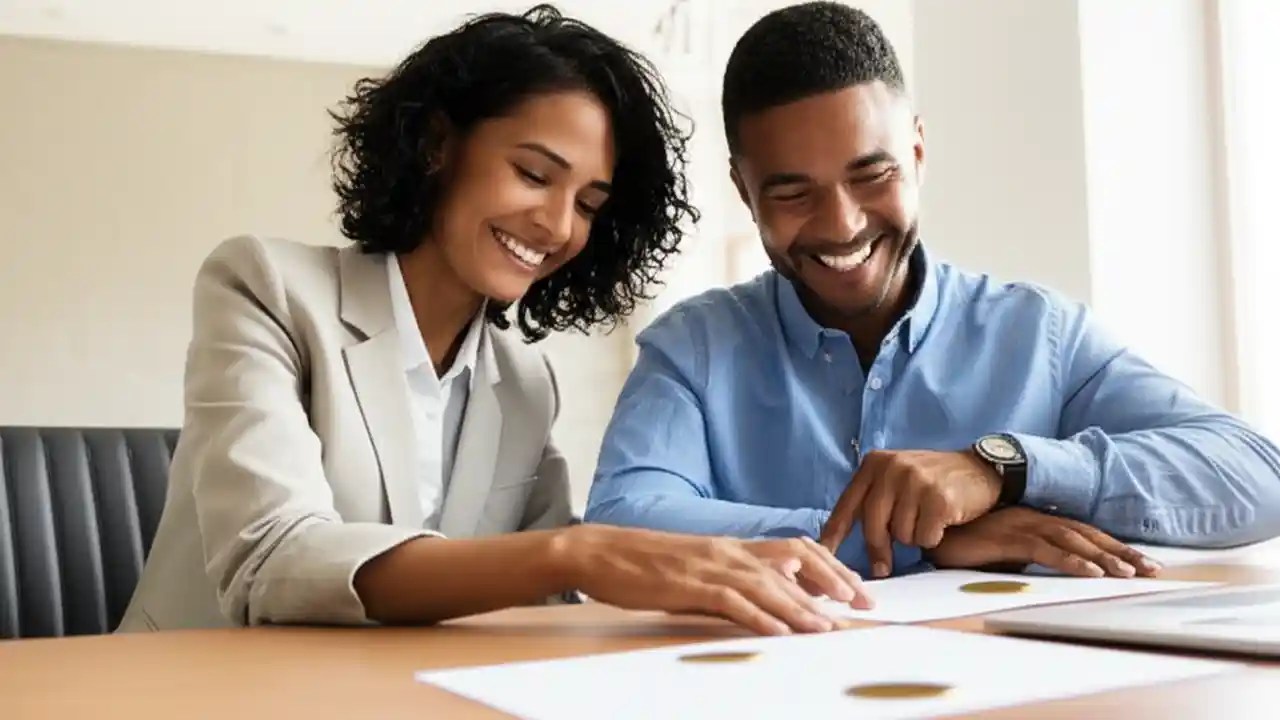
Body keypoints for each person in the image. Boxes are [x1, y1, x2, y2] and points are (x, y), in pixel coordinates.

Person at [118, 5, 870, 638]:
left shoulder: (522, 381)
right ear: (439, 144)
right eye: (534, 175)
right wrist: (574, 551)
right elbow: (273, 564)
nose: (555, 224)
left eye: (588, 205)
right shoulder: (268, 288)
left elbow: (541, 604)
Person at [585, 1, 1280, 581]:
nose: (843, 224)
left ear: (917, 153)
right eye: (793, 191)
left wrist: (1004, 469)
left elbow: (1258, 477)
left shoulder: (1038, 335)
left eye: (871, 175)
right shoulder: (692, 349)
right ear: (744, 190)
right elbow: (624, 516)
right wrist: (918, 537)